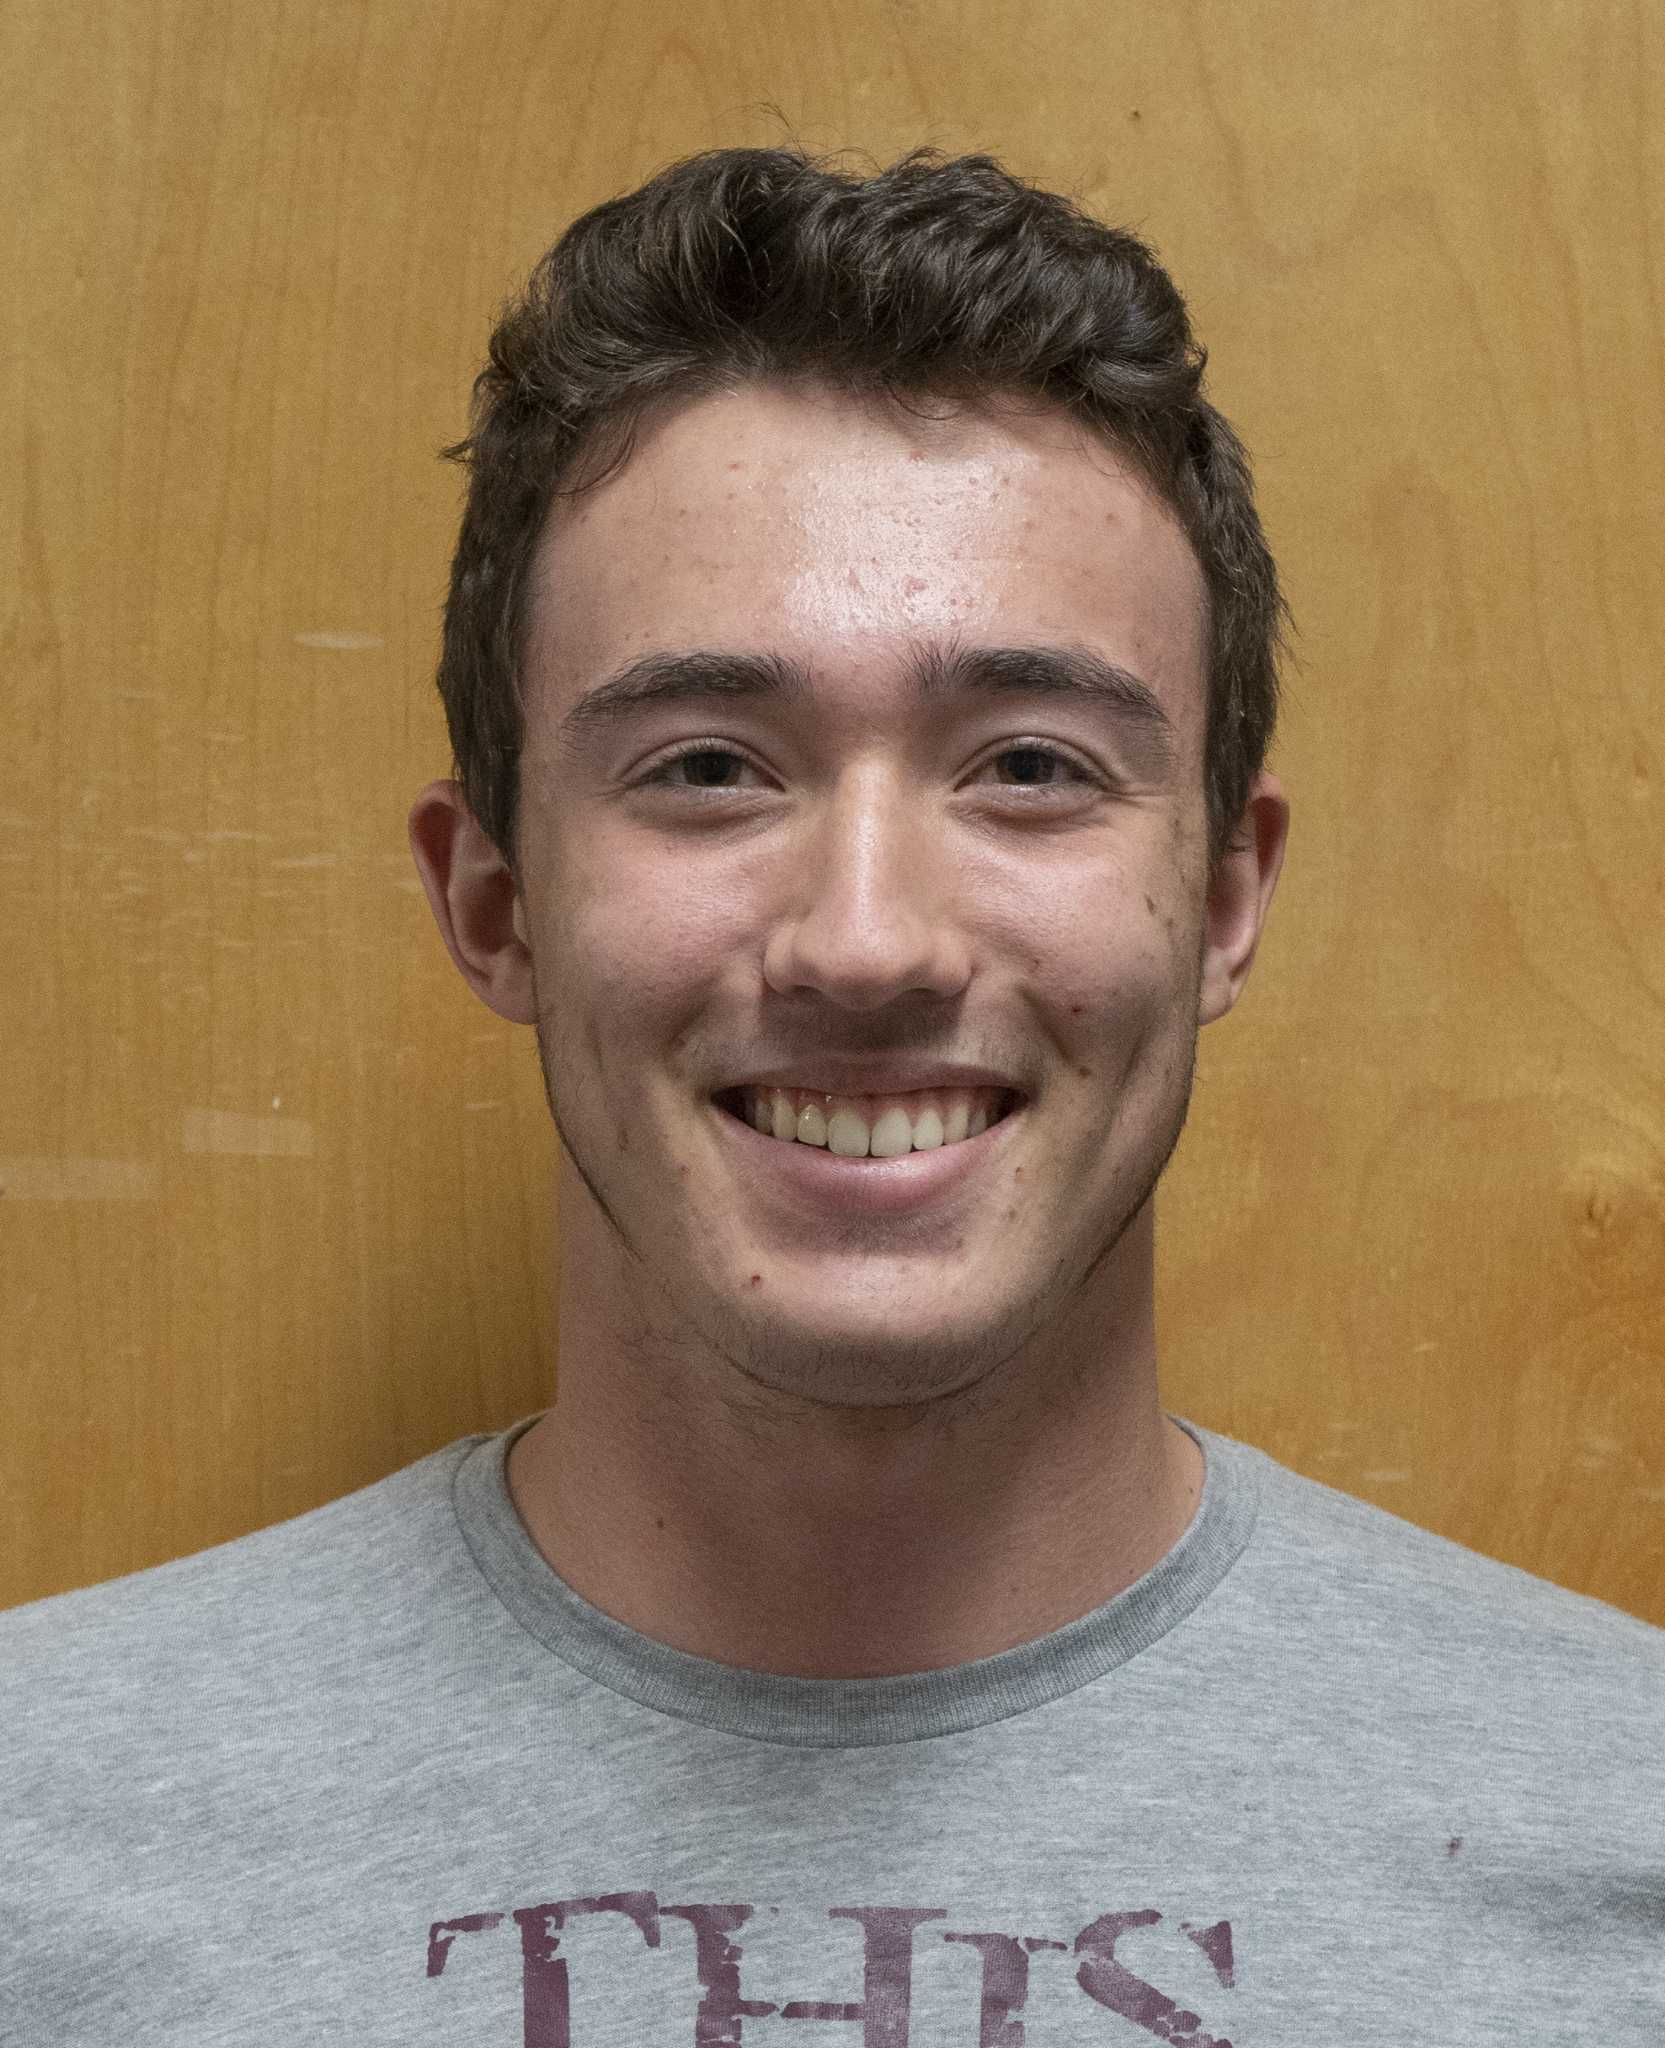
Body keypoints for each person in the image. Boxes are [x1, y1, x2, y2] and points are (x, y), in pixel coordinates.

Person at [2, 147, 1659, 2047]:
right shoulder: (35, 1865)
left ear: (1220, 898)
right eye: (708, 766)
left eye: (1030, 766)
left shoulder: (1621, 1863)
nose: (865, 942)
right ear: (494, 900)